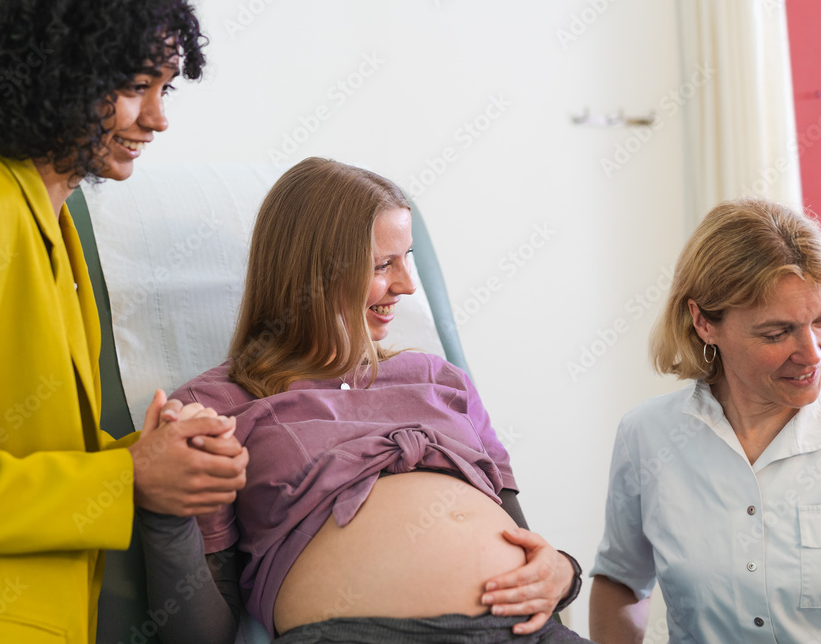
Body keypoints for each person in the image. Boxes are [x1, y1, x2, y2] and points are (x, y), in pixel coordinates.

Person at [0, 0, 247, 642]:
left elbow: (23, 453)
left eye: (166, 88)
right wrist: (128, 475)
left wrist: (160, 452)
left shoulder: (56, 231)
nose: (157, 118)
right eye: (137, 84)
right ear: (59, 73)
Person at [137, 157, 589, 643]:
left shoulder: (441, 380)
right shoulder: (215, 409)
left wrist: (565, 573)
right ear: (309, 273)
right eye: (382, 265)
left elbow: (525, 540)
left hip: (523, 631)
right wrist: (163, 513)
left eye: (407, 258)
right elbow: (200, 636)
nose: (407, 285)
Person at [588, 199, 821, 643]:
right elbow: (621, 581)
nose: (812, 352)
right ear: (704, 322)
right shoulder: (647, 438)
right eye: (776, 332)